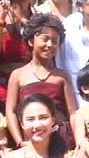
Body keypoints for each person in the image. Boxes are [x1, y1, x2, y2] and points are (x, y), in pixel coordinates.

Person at [6, 13, 77, 147]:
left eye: (55, 41)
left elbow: (72, 113)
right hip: (31, 140)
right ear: (31, 41)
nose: (50, 44)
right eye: (45, 39)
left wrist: (77, 141)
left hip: (60, 140)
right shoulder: (18, 75)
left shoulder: (62, 76)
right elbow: (10, 111)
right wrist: (20, 142)